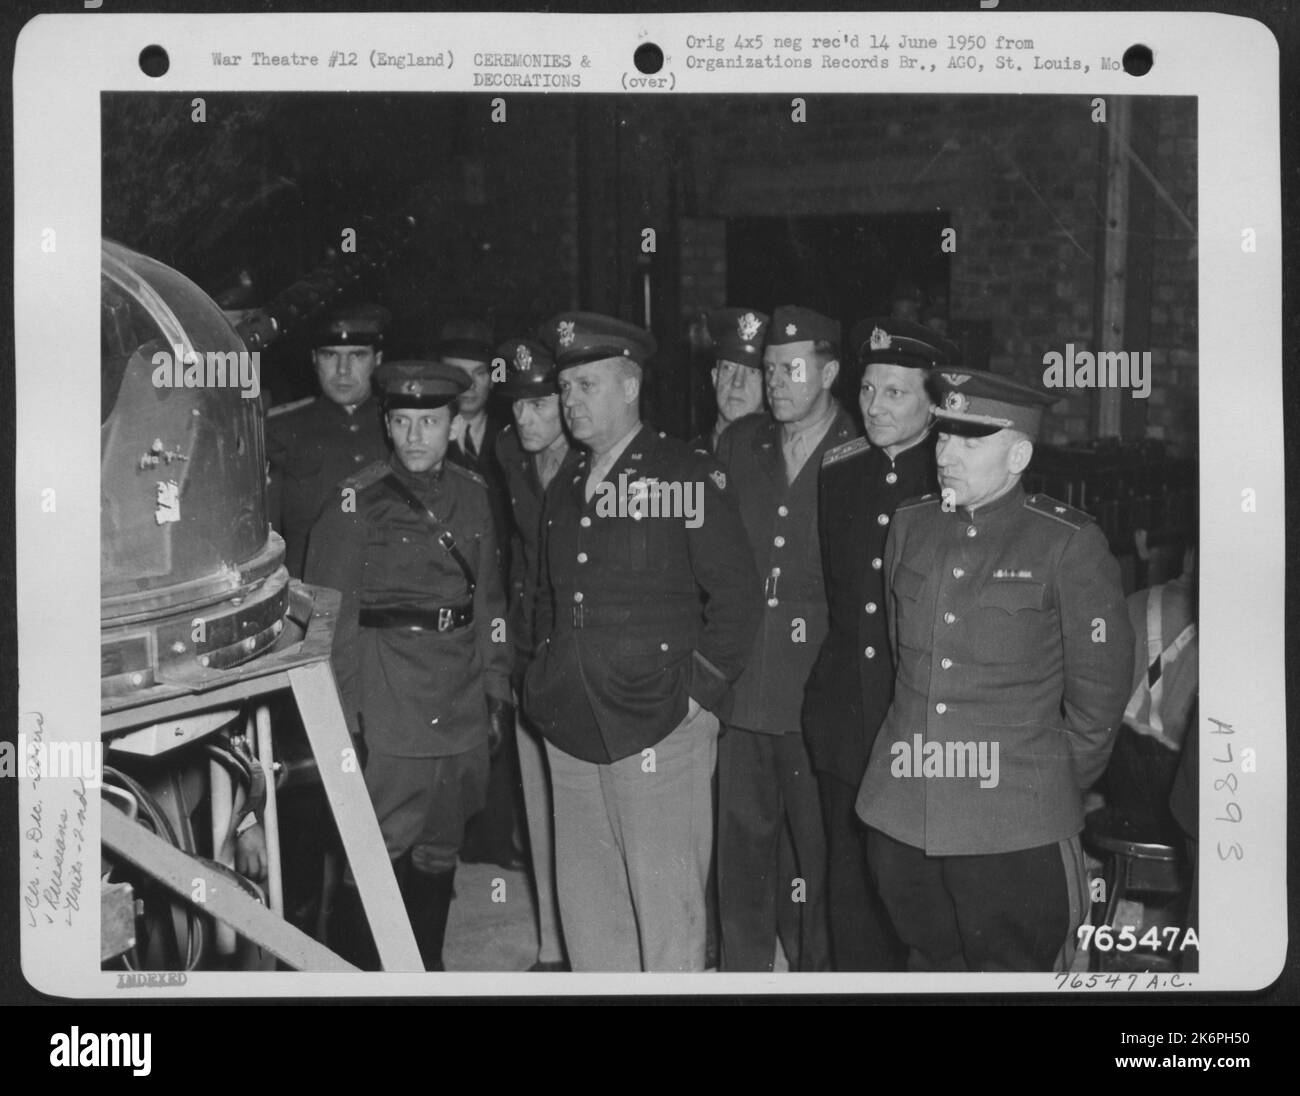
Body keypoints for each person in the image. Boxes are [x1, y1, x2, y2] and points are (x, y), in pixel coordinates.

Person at [857, 368, 1135, 972]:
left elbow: (1100, 699)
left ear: (1019, 454)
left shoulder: (1067, 543)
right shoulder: (911, 524)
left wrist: (1045, 783)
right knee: (927, 971)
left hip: (1014, 829)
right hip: (904, 814)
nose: (946, 454)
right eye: (941, 437)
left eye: (970, 440)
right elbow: (907, 662)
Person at [523, 311, 761, 971]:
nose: (570, 402)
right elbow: (546, 595)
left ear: (630, 388)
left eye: (587, 385)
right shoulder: (566, 482)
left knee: (667, 919)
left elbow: (739, 600)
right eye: (565, 388)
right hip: (570, 720)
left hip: (658, 724)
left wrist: (697, 701)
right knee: (590, 912)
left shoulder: (685, 474)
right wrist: (539, 674)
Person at [304, 359, 513, 971]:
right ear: (387, 426)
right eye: (402, 422)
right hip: (388, 707)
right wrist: (342, 724)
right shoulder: (356, 500)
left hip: (460, 706)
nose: (415, 436)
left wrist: (495, 693)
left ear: (454, 423)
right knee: (376, 851)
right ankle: (357, 977)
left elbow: (491, 605)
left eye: (430, 421)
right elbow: (328, 624)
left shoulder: (475, 496)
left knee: (440, 851)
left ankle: (426, 972)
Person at [803, 318, 951, 970]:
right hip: (843, 711)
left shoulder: (951, 473)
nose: (875, 406)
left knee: (915, 882)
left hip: (917, 712)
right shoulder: (839, 470)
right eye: (868, 390)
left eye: (895, 393)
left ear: (932, 403)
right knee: (847, 875)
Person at [713, 305, 852, 972]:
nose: (775, 381)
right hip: (742, 692)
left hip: (818, 698)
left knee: (820, 864)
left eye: (791, 368)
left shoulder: (862, 453)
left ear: (828, 371)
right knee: (740, 856)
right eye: (768, 368)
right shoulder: (740, 446)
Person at [493, 335, 584, 971]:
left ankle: (593, 945)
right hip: (530, 651)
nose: (526, 420)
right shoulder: (506, 452)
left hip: (583, 657)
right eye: (517, 406)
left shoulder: (596, 458)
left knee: (584, 812)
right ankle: (552, 945)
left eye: (541, 404)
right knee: (540, 809)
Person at [436, 318, 521, 869]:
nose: (468, 386)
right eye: (455, 376)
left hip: (506, 608)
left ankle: (499, 845)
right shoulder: (419, 439)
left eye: (477, 375)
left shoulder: (516, 439)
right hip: (447, 615)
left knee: (502, 725)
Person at [265, 303, 391, 578]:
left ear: (377, 360)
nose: (342, 370)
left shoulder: (399, 427)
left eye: (357, 355)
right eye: (330, 355)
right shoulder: (280, 431)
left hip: (388, 594)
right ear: (313, 359)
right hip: (311, 592)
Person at [691, 307, 769, 454]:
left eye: (752, 371)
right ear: (715, 377)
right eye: (729, 368)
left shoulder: (783, 460)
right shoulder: (686, 460)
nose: (737, 382)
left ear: (768, 384)